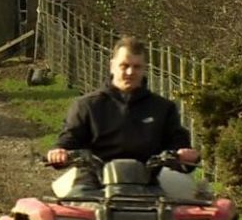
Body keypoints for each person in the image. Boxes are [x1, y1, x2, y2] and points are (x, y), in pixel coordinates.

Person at [46, 36, 200, 173]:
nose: (130, 72)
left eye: (137, 67)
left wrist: (185, 155)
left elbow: (177, 143)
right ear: (112, 66)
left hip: (148, 183)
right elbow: (70, 138)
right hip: (93, 181)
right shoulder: (87, 106)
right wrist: (59, 152)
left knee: (184, 194)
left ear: (145, 69)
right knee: (72, 196)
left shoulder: (163, 108)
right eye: (124, 66)